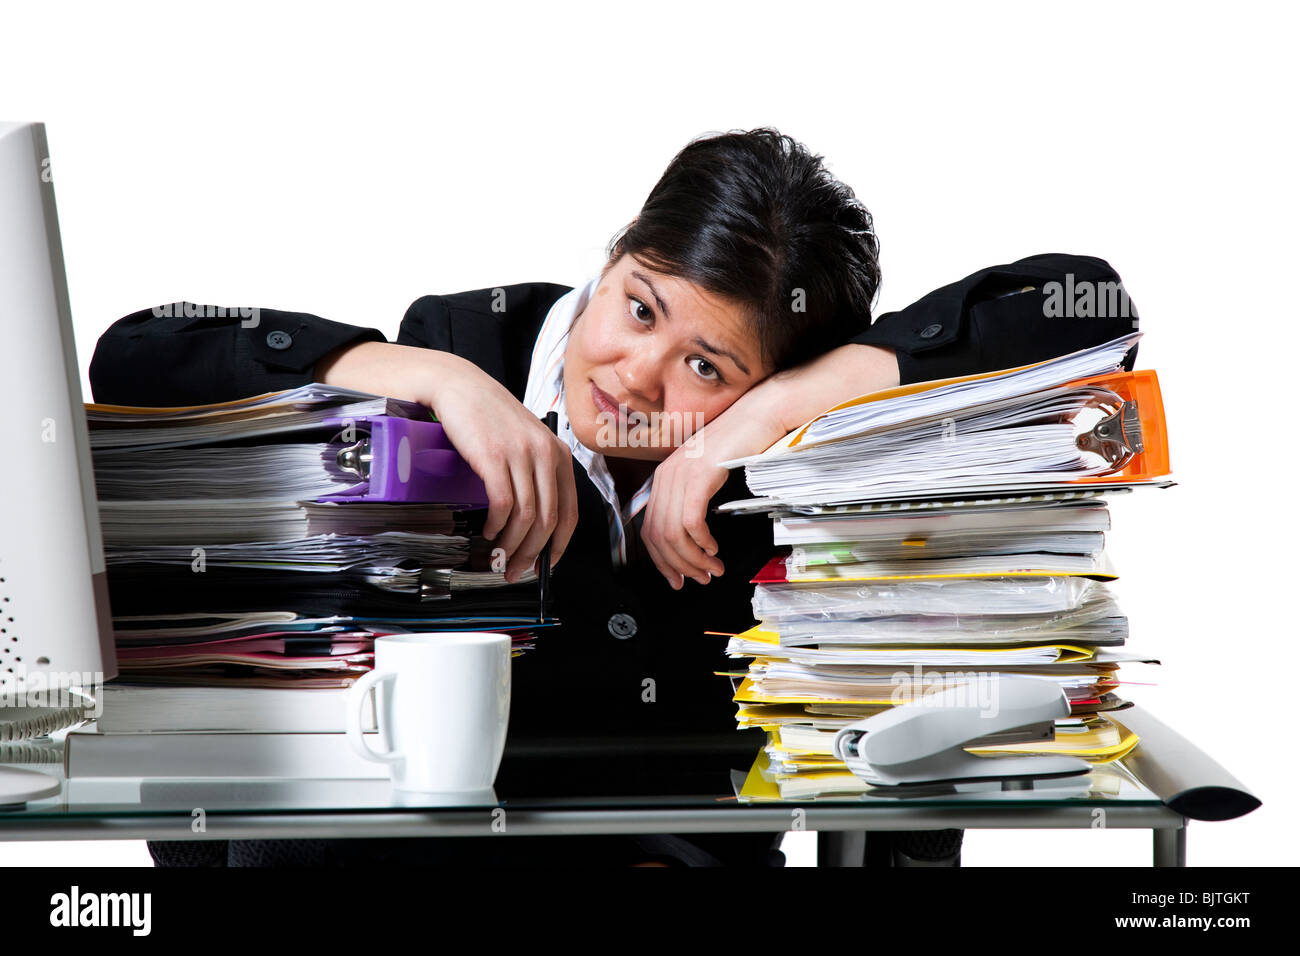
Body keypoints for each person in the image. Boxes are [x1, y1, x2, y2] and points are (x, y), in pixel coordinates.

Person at [89, 127, 1138, 866]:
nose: (636, 377)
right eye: (638, 308)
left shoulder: (788, 446)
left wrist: (773, 412)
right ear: (617, 252)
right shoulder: (467, 343)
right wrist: (433, 378)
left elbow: (1081, 308)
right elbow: (136, 353)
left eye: (706, 365)